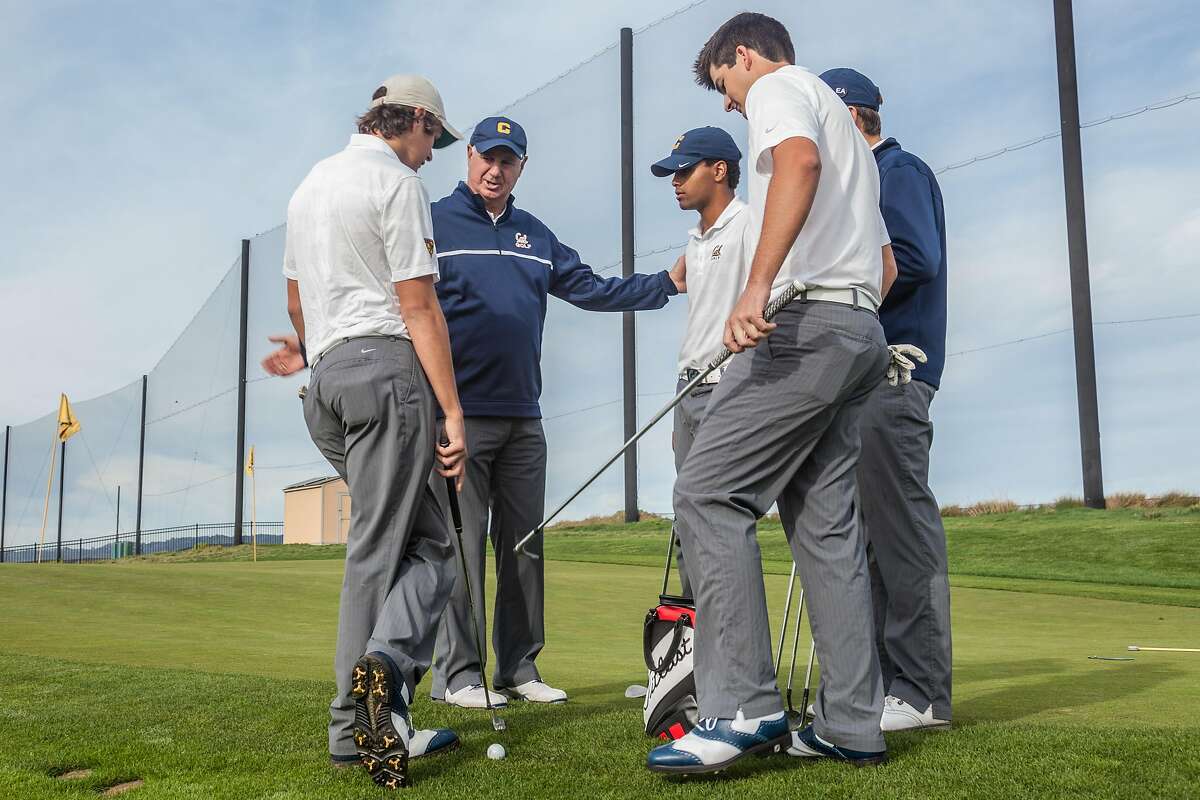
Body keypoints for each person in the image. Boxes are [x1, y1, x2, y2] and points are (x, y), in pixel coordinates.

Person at [646, 12, 901, 775]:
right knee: (825, 532)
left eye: (725, 84)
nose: (729, 105)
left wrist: (758, 286)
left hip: (808, 327)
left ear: (745, 58)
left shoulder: (783, 88)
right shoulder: (852, 132)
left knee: (705, 495)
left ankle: (744, 706)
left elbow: (795, 163)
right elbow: (884, 264)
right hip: (859, 333)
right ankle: (852, 723)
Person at [427, 116, 687, 709]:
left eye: (508, 160)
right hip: (459, 417)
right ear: (467, 157)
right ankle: (460, 676)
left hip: (524, 418)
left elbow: (592, 289)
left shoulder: (535, 236)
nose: (495, 169)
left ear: (521, 167)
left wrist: (666, 284)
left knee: (523, 546)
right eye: (486, 157)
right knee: (463, 548)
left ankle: (518, 668)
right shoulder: (434, 223)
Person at [261, 75, 467, 789]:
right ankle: (361, 709)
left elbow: (296, 296)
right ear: (407, 121)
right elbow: (417, 305)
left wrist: (309, 348)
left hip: (327, 385)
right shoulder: (397, 183)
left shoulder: (310, 184)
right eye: (432, 136)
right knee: (401, 550)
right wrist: (453, 409)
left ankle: (385, 710)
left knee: (419, 542)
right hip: (387, 375)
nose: (433, 152)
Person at [820, 67, 951, 732]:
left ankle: (922, 691)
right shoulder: (862, 179)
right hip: (862, 380)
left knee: (901, 535)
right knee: (867, 538)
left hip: (895, 374)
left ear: (848, 117)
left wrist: (829, 295)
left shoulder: (894, 170)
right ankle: (880, 684)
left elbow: (912, 257)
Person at [649, 126, 754, 598]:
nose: (675, 180)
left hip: (727, 385)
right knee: (687, 511)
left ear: (719, 170)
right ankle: (690, 654)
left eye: (684, 170)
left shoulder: (751, 225)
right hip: (687, 387)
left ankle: (725, 655)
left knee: (714, 512)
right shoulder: (695, 240)